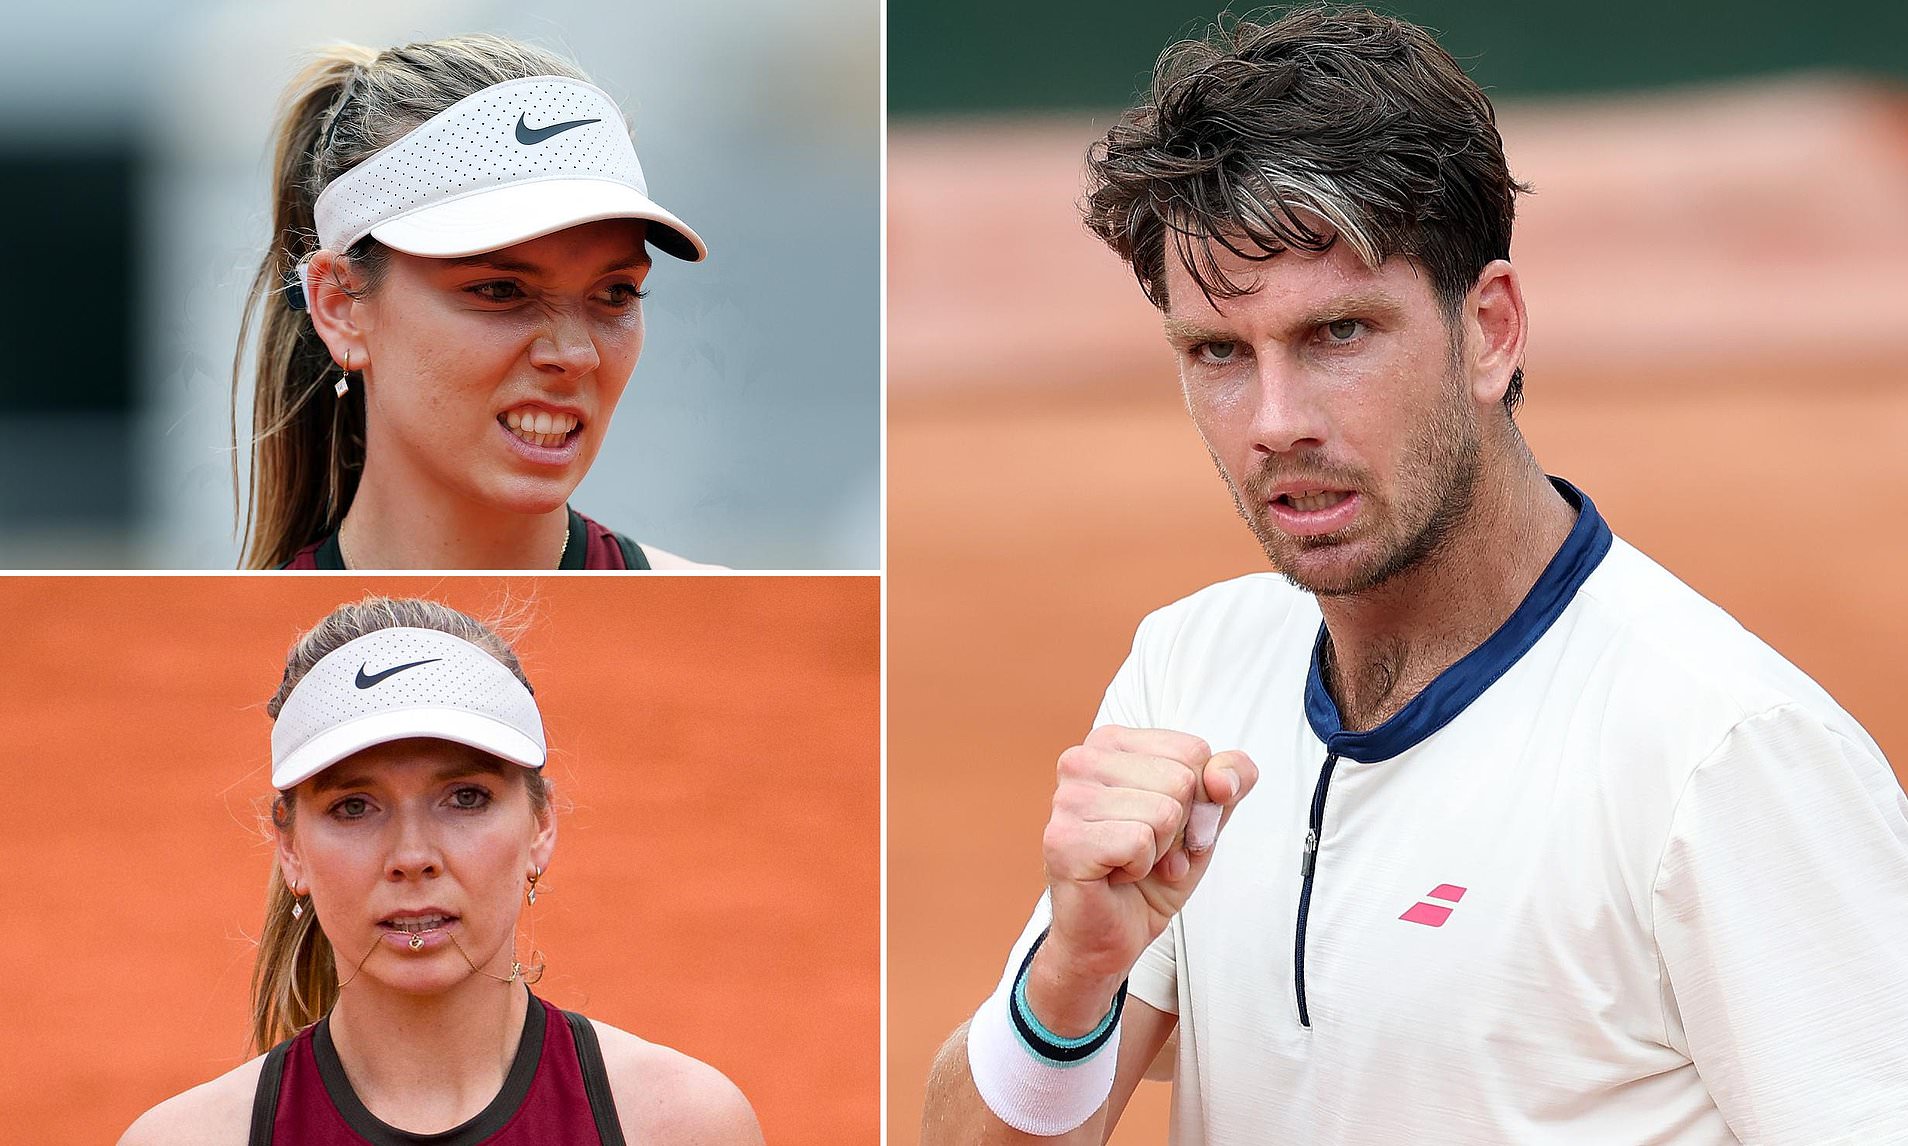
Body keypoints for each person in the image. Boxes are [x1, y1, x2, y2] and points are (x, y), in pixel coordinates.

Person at [922, 8, 1908, 1144]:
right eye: (1219, 355)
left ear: (1489, 330)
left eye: (1339, 334)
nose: (1276, 424)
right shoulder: (1187, 671)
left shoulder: (1724, 753)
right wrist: (1072, 979)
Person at [119, 597, 763, 1144]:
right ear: (291, 850)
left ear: (541, 827)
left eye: (465, 799)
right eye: (353, 807)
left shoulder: (680, 1124)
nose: (412, 856)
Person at [233, 35, 719, 569]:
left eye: (615, 293)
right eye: (499, 290)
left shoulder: (732, 635)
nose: (576, 354)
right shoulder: (219, 647)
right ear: (340, 308)